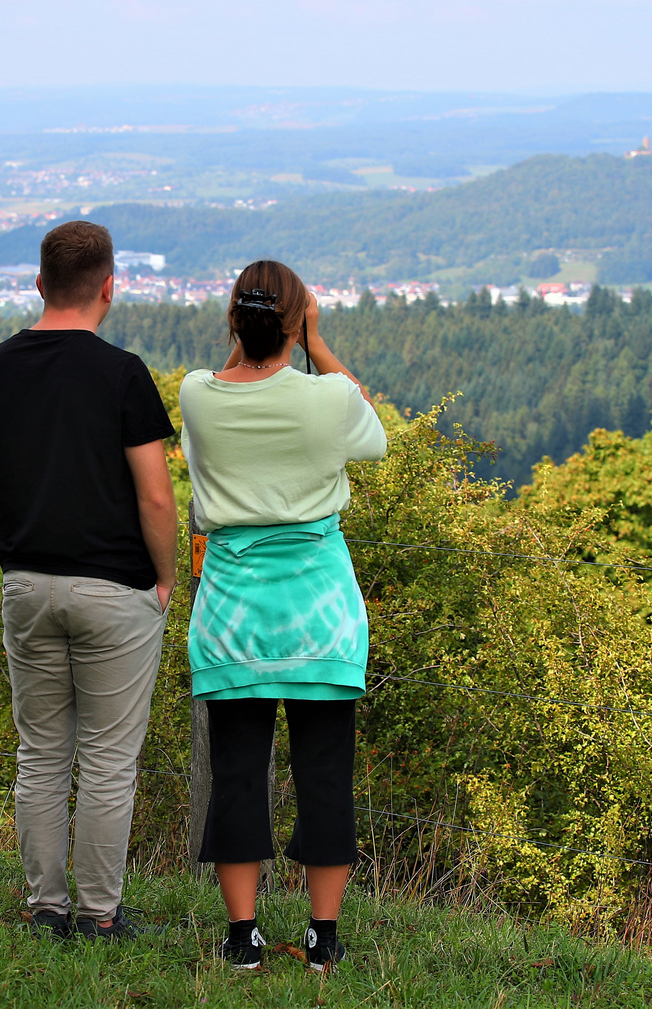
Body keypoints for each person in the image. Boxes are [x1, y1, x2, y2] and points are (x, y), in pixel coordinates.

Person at [0, 220, 179, 940]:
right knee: (109, 760)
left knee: (41, 752)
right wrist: (166, 580)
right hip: (114, 588)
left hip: (27, 581)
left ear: (38, 284)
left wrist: (24, 528)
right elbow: (154, 495)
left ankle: (45, 907)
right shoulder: (122, 374)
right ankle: (98, 914)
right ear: (110, 288)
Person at [179, 259, 387, 972]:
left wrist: (250, 335)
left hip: (233, 618)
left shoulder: (196, 396)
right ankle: (323, 938)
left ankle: (243, 937)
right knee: (326, 775)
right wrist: (318, 343)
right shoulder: (327, 397)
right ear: (297, 324)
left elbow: (228, 381)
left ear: (235, 320)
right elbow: (375, 437)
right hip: (320, 617)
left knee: (238, 775)